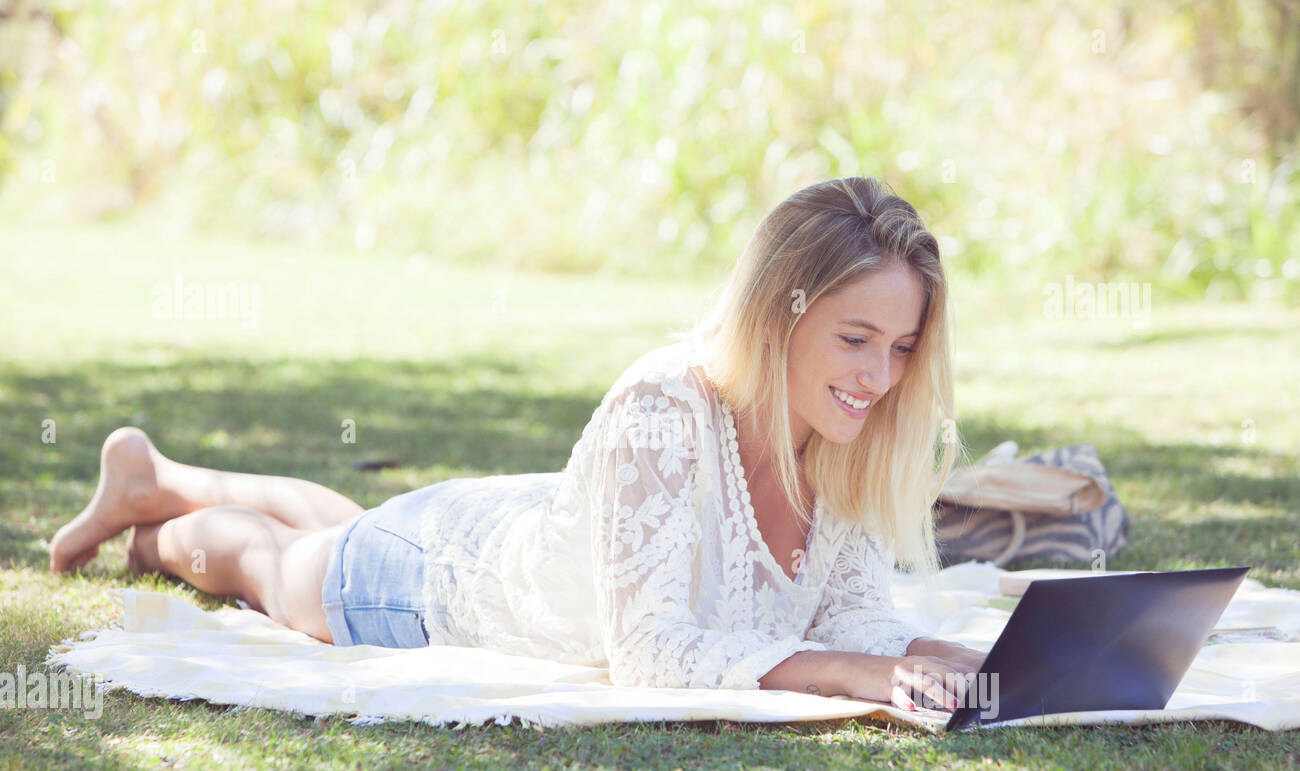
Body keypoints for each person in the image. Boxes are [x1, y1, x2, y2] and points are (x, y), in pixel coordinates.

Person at [49, 175, 984, 713]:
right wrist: (865, 677)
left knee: (360, 522)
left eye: (901, 348)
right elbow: (653, 653)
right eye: (855, 339)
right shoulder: (665, 404)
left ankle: (157, 471)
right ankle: (151, 515)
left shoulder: (846, 437)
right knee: (272, 562)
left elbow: (857, 620)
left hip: (493, 525)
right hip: (430, 585)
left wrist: (965, 658)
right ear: (776, 316)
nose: (880, 375)